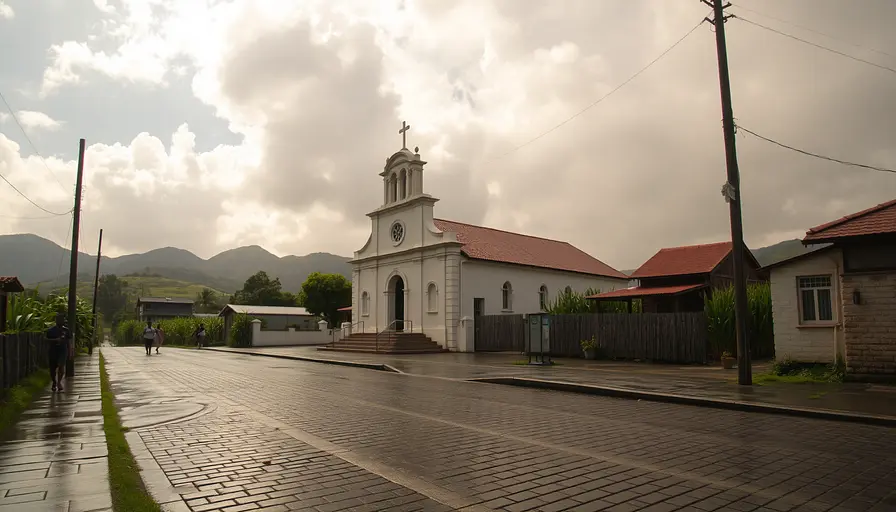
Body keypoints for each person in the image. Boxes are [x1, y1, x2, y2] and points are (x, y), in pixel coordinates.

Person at [46, 313, 71, 392]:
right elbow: (46, 340)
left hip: (63, 351)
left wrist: (70, 352)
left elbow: (69, 342)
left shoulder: (66, 330)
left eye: (62, 319)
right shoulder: (51, 331)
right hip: (53, 351)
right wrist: (55, 340)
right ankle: (54, 381)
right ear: (56, 320)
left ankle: (59, 382)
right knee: (52, 369)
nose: (60, 321)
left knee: (61, 366)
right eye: (59, 319)